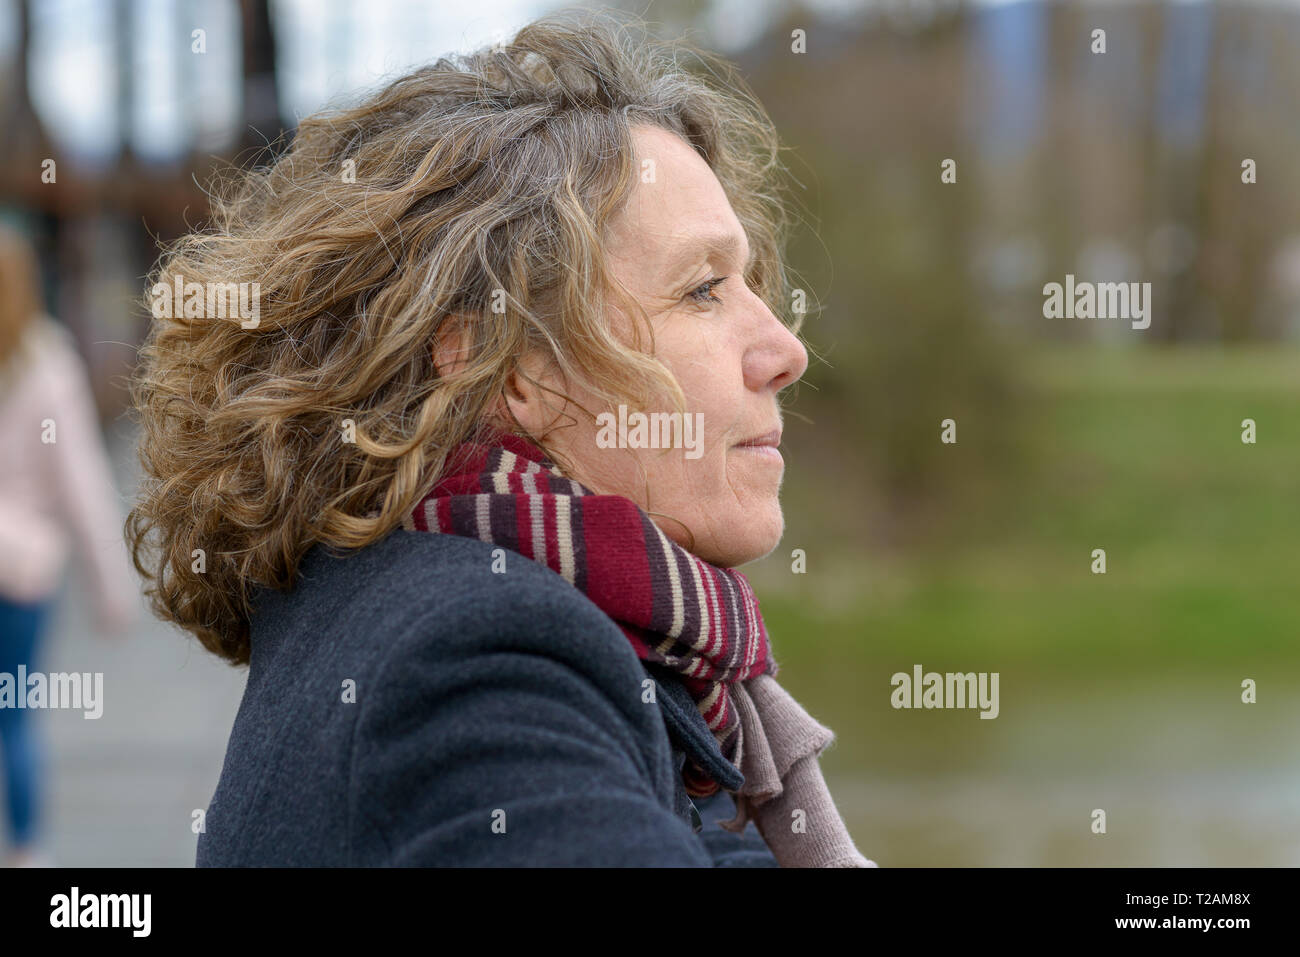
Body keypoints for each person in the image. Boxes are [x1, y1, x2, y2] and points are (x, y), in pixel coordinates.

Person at [127, 8, 875, 867]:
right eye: (703, 289)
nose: (785, 349)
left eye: (750, 283)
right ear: (503, 363)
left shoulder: (402, 602)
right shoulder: (481, 658)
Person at [0, 225, 136, 867]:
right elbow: (81, 483)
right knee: (15, 716)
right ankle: (28, 852)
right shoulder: (49, 364)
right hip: (23, 575)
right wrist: (111, 587)